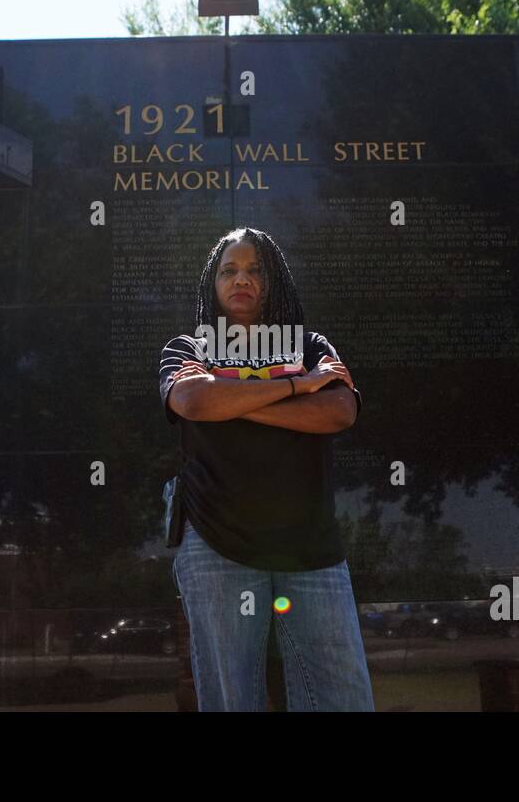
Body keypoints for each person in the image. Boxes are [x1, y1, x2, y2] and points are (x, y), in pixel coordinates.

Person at [158, 227, 375, 712]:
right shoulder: (189, 347)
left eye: (256, 270)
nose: (243, 279)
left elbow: (339, 412)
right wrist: (299, 388)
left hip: (311, 547)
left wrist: (228, 399)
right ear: (211, 283)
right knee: (232, 698)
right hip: (217, 544)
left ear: (274, 281)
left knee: (342, 696)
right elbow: (191, 400)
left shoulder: (312, 347)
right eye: (229, 270)